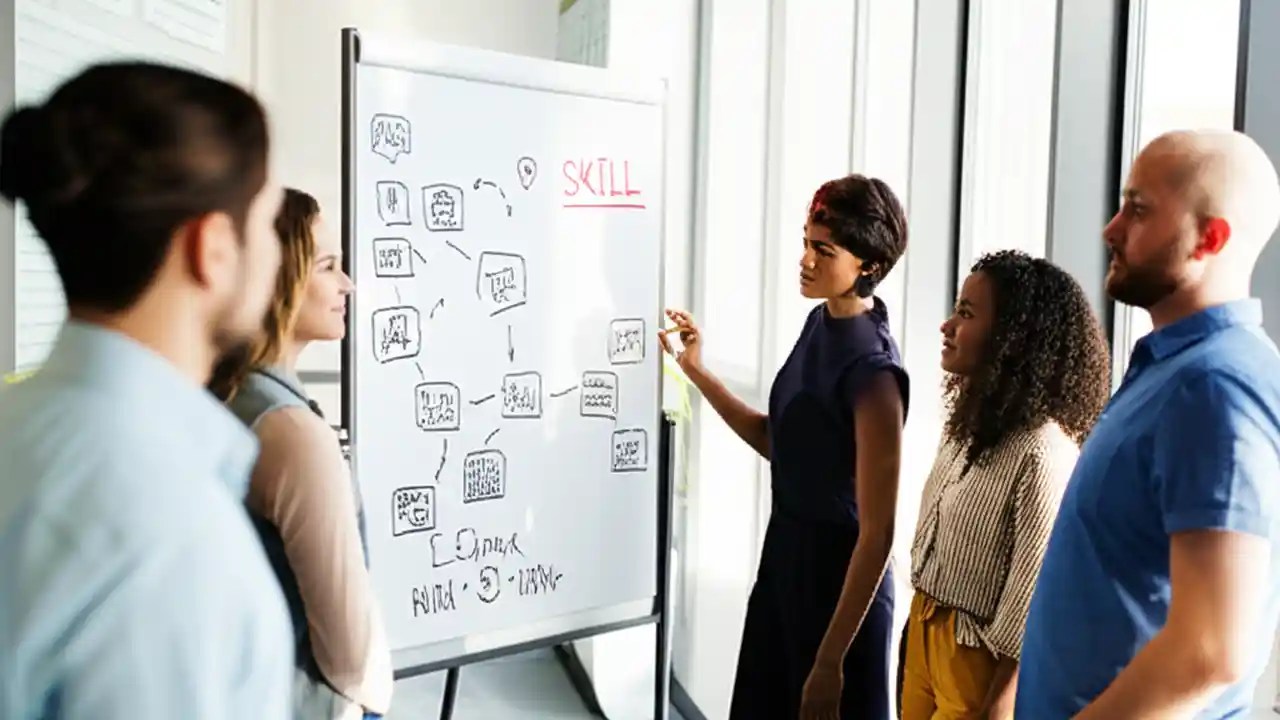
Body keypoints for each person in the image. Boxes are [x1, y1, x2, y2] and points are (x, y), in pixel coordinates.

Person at [0, 63, 291, 718]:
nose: (276, 255)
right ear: (213, 248)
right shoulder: (171, 542)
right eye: (269, 221)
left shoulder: (16, 427)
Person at [1018, 129, 1280, 718]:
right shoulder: (1177, 370)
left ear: (1209, 238)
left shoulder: (1217, 386)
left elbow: (1212, 650)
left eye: (1138, 210)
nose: (1111, 229)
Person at [661, 174, 910, 719]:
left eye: (824, 250)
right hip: (784, 569)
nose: (805, 259)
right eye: (805, 241)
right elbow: (782, 441)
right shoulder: (819, 322)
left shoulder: (875, 375)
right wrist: (697, 373)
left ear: (867, 265)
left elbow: (879, 534)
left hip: (841, 598)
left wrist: (830, 661)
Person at [900, 250, 1110, 720]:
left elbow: (1034, 591)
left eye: (966, 314)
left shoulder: (1042, 451)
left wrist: (1001, 703)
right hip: (924, 628)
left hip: (976, 661)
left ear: (1013, 339)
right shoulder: (968, 423)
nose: (947, 326)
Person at [209, 188, 393, 720]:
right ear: (275, 280)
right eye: (328, 266)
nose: (348, 285)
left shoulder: (219, 395)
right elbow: (350, 653)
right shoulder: (291, 433)